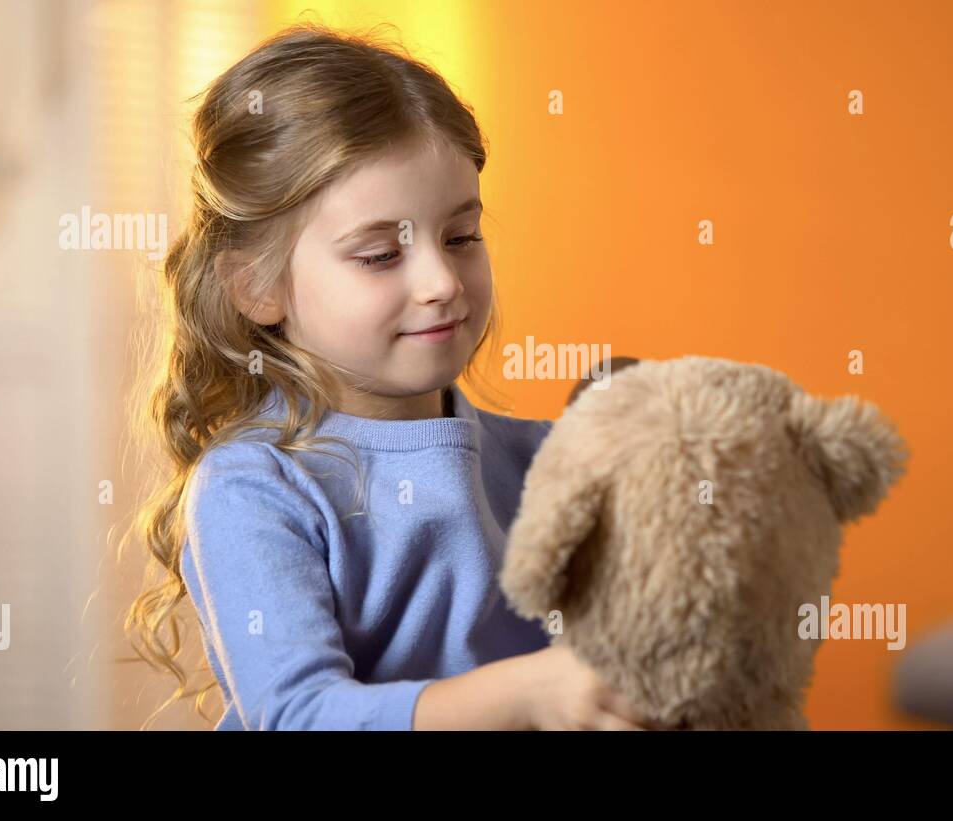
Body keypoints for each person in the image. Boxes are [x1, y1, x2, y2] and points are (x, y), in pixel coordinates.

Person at [124, 24, 660, 731]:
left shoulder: (548, 458)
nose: (441, 281)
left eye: (462, 237)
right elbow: (300, 716)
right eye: (380, 254)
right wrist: (530, 694)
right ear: (256, 287)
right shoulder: (257, 486)